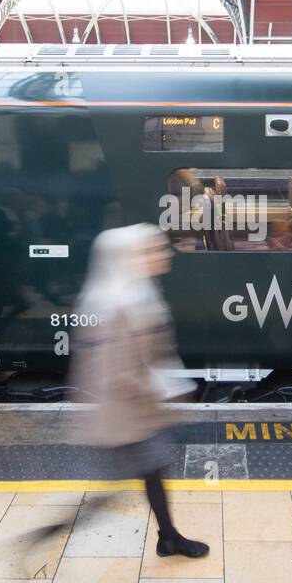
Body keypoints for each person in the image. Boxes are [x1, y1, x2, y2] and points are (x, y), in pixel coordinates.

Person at [68, 225, 209, 558]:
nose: (164, 255)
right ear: (128, 257)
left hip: (135, 413)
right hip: (125, 415)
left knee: (151, 471)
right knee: (114, 487)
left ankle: (169, 537)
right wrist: (161, 392)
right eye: (152, 250)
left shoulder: (136, 291)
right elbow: (116, 373)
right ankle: (45, 535)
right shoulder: (116, 304)